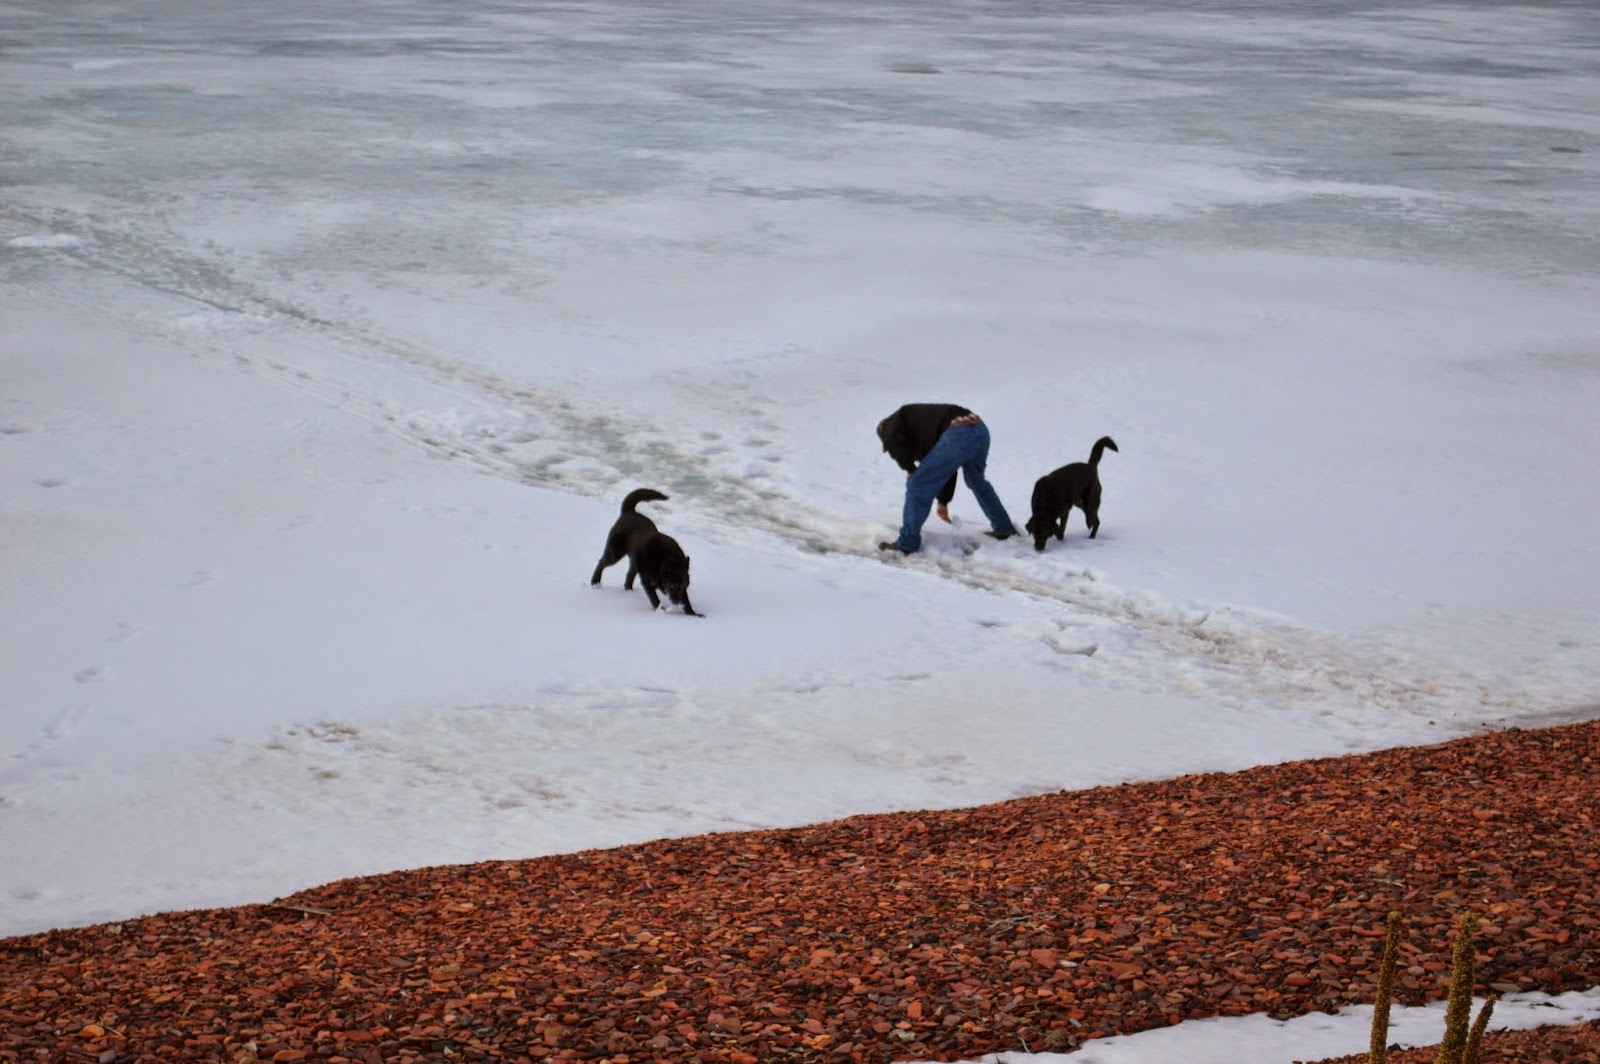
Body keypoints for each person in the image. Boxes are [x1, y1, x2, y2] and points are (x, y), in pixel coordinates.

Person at [876, 402, 1018, 554]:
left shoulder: (890, 425)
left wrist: (911, 470)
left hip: (958, 432)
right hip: (980, 429)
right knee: (976, 481)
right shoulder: (922, 431)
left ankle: (907, 544)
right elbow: (947, 468)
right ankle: (1004, 529)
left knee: (917, 484)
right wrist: (943, 501)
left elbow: (894, 442)